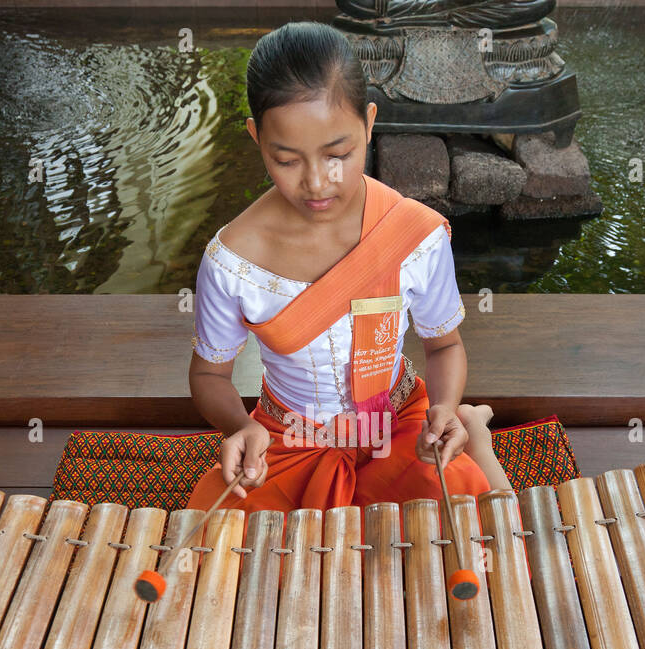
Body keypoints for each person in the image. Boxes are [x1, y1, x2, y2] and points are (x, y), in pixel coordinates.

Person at [185, 20, 512, 515]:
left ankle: (472, 433)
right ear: (257, 138)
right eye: (287, 160)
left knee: (465, 528)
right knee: (220, 546)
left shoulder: (414, 234)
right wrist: (241, 426)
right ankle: (476, 437)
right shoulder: (232, 260)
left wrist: (442, 410)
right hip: (287, 437)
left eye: (338, 154)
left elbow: (444, 345)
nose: (317, 182)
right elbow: (209, 377)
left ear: (369, 124)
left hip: (400, 424)